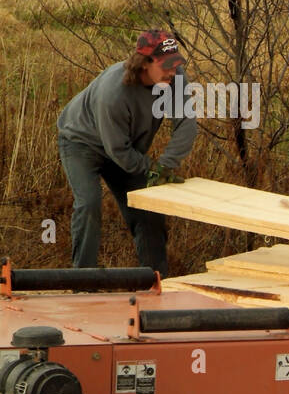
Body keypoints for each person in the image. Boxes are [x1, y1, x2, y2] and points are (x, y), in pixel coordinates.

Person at [56, 29, 195, 279]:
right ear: (145, 63)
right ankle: (83, 282)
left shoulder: (175, 78)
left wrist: (164, 167)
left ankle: (154, 282)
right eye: (166, 66)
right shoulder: (114, 92)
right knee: (89, 204)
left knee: (149, 210)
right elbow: (117, 150)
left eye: (176, 65)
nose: (173, 72)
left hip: (126, 148)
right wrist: (150, 169)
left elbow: (186, 123)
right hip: (82, 143)